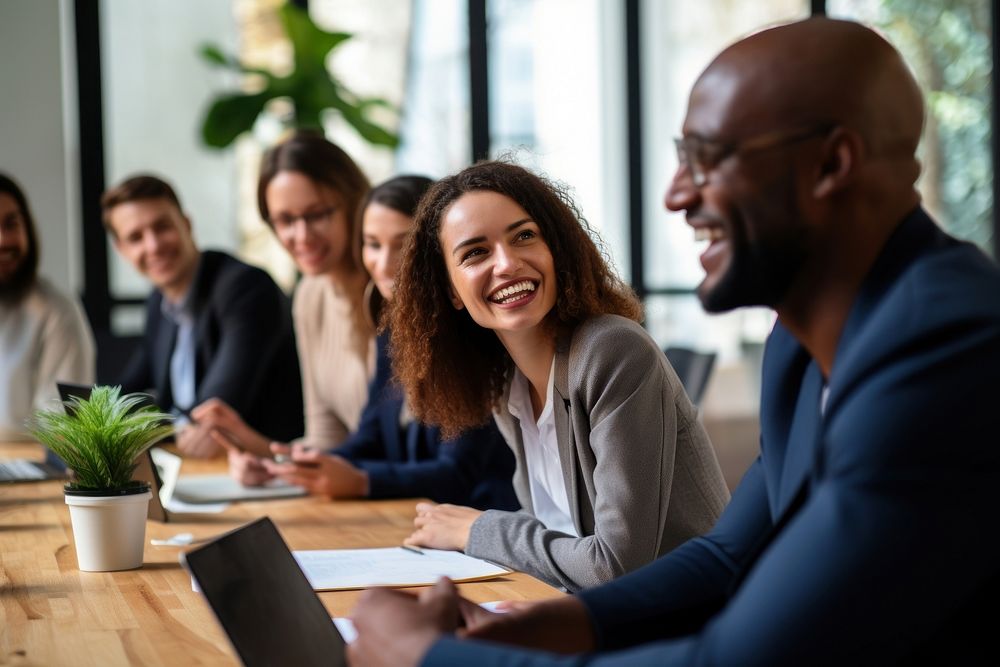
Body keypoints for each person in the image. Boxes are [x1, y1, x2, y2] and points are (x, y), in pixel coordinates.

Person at [346, 18, 1000, 666]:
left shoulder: (944, 350)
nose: (675, 195)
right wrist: (547, 625)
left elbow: (731, 657)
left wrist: (426, 657)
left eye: (706, 160)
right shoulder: (798, 346)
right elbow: (728, 555)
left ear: (831, 164)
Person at [386, 161, 729, 592]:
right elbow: (560, 537)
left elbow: (615, 567)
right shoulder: (507, 387)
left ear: (556, 247)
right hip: (594, 617)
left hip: (687, 626)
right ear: (452, 290)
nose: (507, 263)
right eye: (476, 253)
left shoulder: (612, 350)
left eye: (524, 236)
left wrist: (476, 531)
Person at [211, 176, 519, 510]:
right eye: (372, 244)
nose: (384, 264)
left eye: (402, 245)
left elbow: (458, 474)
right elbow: (368, 438)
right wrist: (290, 469)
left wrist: (362, 481)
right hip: (419, 524)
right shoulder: (395, 331)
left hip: (485, 530)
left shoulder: (476, 336)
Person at [194, 131, 377, 454]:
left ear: (353, 203)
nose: (301, 236)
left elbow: (399, 451)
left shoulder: (389, 289)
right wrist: (262, 456)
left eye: (317, 214)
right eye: (285, 220)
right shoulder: (309, 295)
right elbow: (325, 440)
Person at [102, 174, 303, 457]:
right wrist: (82, 428)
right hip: (196, 466)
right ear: (121, 249)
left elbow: (214, 412)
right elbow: (126, 392)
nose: (153, 245)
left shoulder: (244, 287)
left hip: (264, 468)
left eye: (162, 227)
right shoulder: (159, 302)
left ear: (186, 224)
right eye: (136, 237)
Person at [0, 173, 94, 440]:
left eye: (11, 224)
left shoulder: (56, 312)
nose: (3, 240)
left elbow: (65, 431)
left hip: (25, 468)